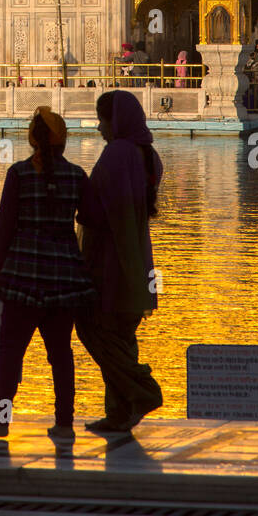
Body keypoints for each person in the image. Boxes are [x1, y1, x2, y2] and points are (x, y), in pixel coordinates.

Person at [0, 107, 96, 443]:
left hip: (22, 277)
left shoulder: (19, 174)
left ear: (33, 140)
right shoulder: (77, 177)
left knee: (11, 354)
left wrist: (0, 276)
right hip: (63, 279)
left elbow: (5, 228)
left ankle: (1, 419)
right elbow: (90, 218)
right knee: (61, 356)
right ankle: (64, 422)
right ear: (63, 142)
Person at [74, 90, 163, 435]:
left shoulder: (117, 154)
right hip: (139, 257)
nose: (99, 128)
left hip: (109, 260)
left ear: (117, 120)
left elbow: (96, 211)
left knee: (92, 327)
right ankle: (120, 412)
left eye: (103, 120)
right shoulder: (148, 155)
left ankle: (143, 390)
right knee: (122, 336)